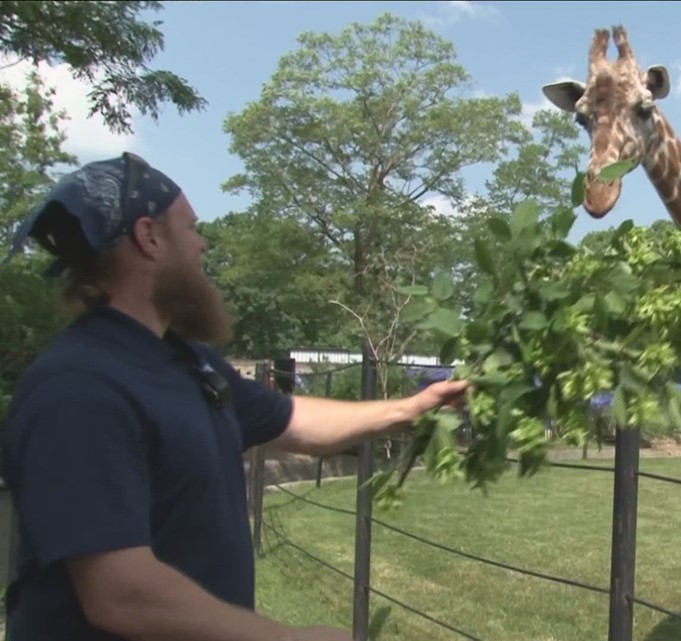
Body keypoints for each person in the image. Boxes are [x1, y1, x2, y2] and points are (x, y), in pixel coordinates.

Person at [0, 152, 470, 641]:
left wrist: (411, 409)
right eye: (191, 227)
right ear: (149, 237)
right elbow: (121, 593)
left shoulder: (185, 363)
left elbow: (292, 418)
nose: (202, 244)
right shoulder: (80, 387)